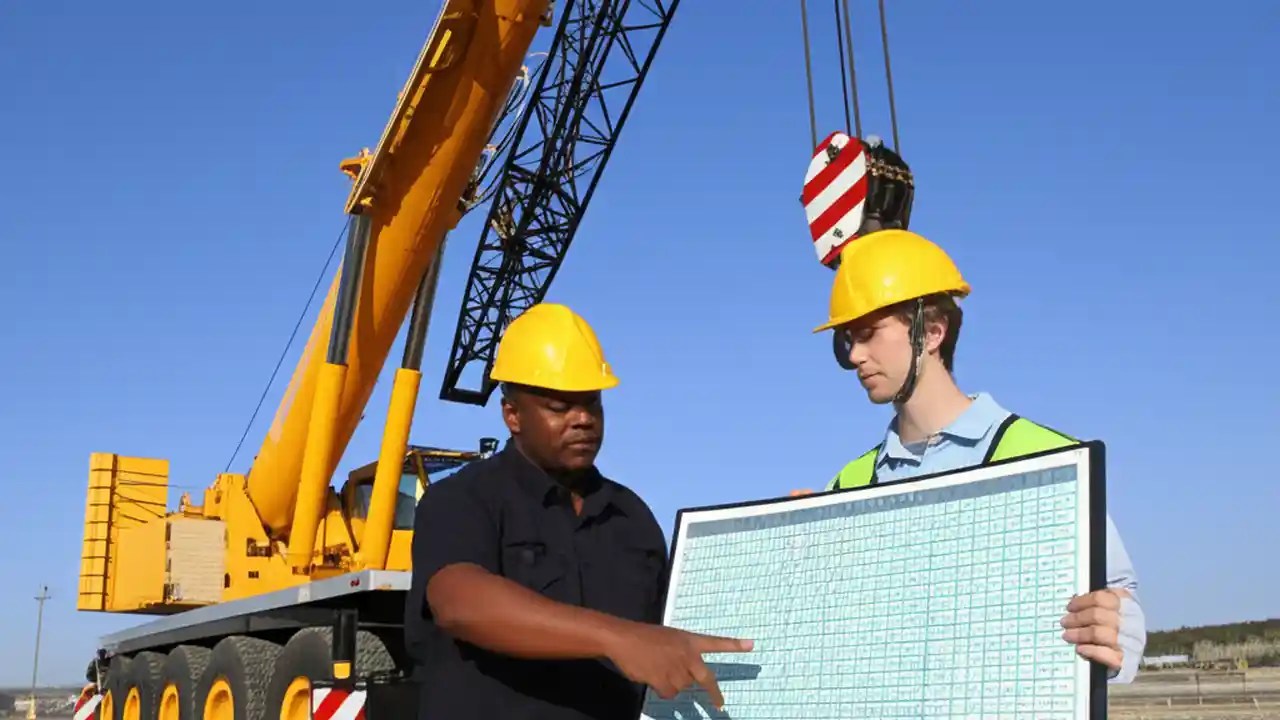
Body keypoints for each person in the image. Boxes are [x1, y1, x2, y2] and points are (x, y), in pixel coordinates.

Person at [797, 229, 1148, 684]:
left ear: (932, 332)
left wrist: (1117, 636)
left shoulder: (1048, 458)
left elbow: (1118, 598)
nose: (856, 356)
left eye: (867, 334)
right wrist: (799, 566)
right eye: (847, 341)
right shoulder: (849, 483)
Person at [404, 302, 753, 720]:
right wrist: (617, 637)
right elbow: (459, 602)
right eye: (560, 406)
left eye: (592, 403)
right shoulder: (463, 498)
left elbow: (674, 634)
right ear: (512, 415)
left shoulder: (633, 518)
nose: (583, 419)